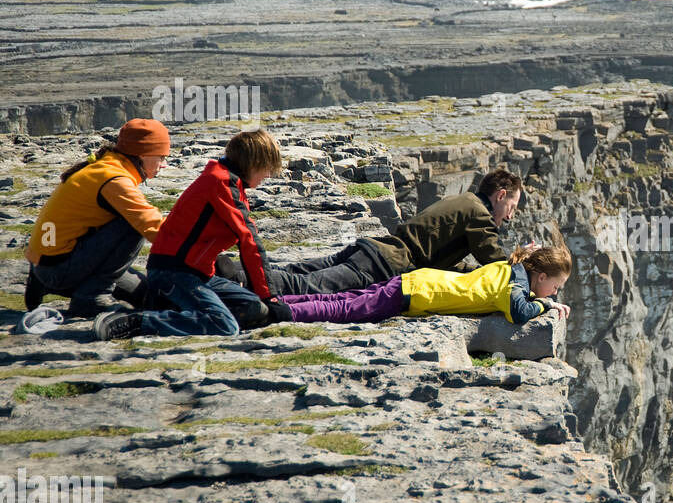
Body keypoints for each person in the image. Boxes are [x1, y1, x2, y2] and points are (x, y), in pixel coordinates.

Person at [93, 129, 291, 340]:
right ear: (254, 163)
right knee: (224, 326)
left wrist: (264, 299)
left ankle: (174, 309)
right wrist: (271, 297)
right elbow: (250, 241)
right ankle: (135, 322)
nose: (268, 175)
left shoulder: (227, 180)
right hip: (175, 272)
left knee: (252, 306)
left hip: (198, 273)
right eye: (267, 167)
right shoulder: (221, 182)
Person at [213, 167, 525, 295]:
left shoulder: (466, 202)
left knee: (302, 268)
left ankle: (231, 269)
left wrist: (466, 269)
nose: (510, 216)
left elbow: (444, 257)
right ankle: (237, 279)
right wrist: (522, 265)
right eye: (511, 206)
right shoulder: (480, 215)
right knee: (308, 285)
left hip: (374, 247)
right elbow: (494, 261)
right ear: (500, 195)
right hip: (384, 263)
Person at [24, 119, 171, 317]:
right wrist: (200, 249)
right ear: (142, 154)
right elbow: (153, 226)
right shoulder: (114, 180)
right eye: (161, 157)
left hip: (48, 259)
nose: (164, 164)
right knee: (132, 224)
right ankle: (91, 298)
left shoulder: (104, 167)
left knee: (145, 294)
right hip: (58, 268)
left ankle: (45, 282)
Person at [278, 243, 572, 327]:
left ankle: (282, 304)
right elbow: (519, 313)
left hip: (418, 281)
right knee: (345, 309)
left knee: (345, 299)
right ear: (542, 277)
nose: (556, 292)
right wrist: (546, 304)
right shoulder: (514, 287)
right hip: (416, 293)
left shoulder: (509, 270)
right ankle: (283, 314)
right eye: (556, 286)